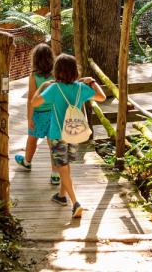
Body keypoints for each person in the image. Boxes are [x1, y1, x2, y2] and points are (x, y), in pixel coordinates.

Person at [29, 53, 106, 218]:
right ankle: (61, 196)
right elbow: (101, 97)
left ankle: (75, 203)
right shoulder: (81, 88)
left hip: (57, 135)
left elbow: (34, 103)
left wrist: (42, 87)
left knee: (63, 169)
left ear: (57, 71)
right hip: (74, 133)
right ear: (75, 71)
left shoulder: (54, 89)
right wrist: (91, 81)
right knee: (66, 167)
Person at [14, 43, 61, 185]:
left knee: (32, 139)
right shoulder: (56, 74)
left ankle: (27, 162)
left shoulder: (34, 76)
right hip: (53, 113)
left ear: (35, 59)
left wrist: (30, 118)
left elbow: (31, 99)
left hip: (39, 113)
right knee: (53, 143)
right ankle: (55, 174)